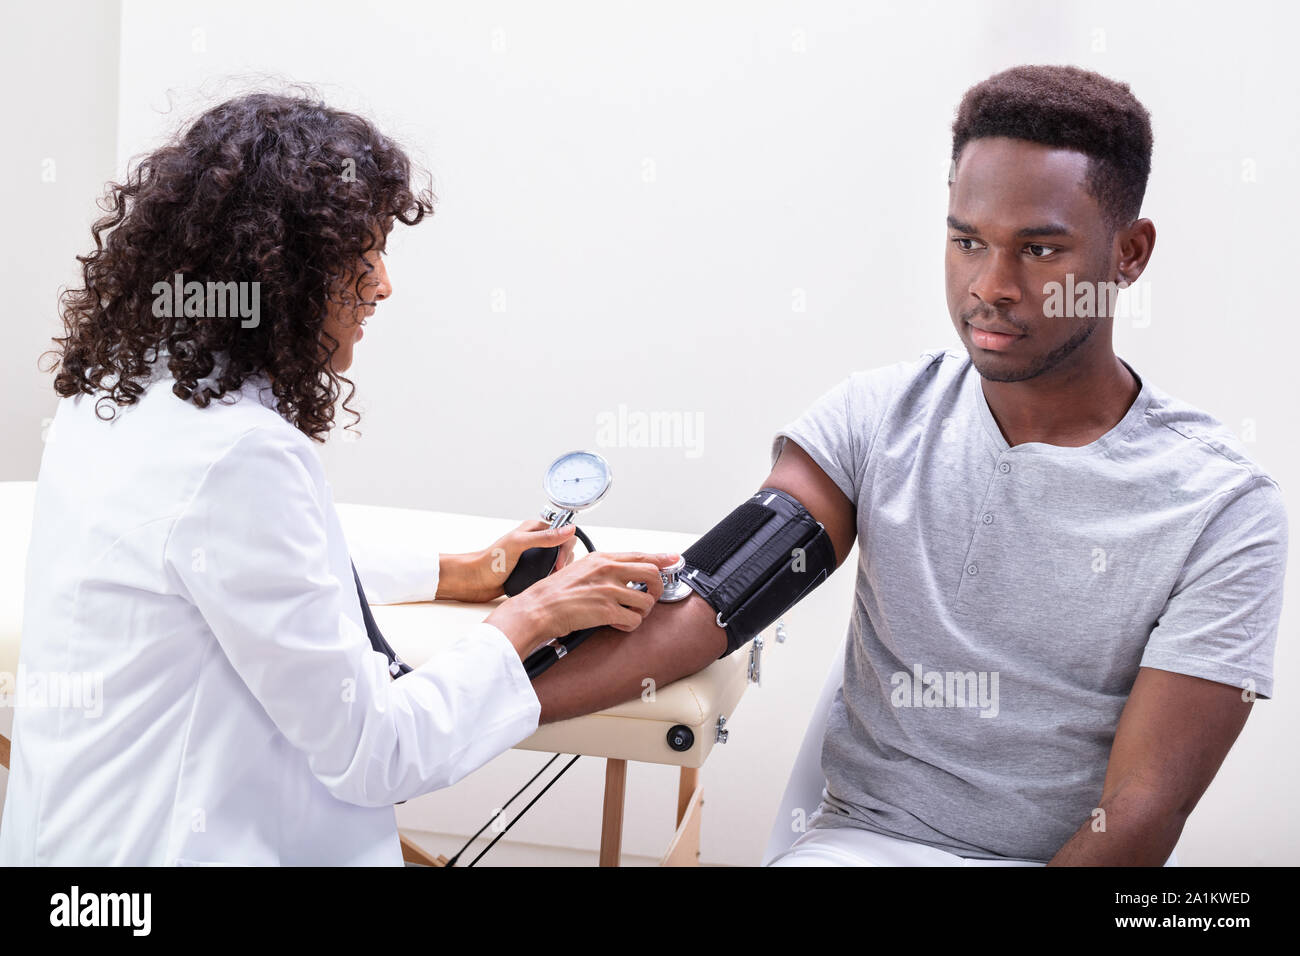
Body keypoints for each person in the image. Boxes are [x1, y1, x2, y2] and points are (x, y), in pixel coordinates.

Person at [526, 64, 1290, 866]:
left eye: (1039, 249)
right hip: (861, 847)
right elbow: (712, 605)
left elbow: (1138, 817)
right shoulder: (875, 419)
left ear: (1129, 254)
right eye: (967, 241)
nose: (991, 287)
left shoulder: (1221, 506)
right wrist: (462, 706)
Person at [0, 91, 675, 865]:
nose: (383, 286)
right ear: (281, 269)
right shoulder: (241, 455)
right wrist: (534, 617)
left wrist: (456, 573)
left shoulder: (113, 396)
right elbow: (376, 754)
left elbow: (235, 567)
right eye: (366, 253)